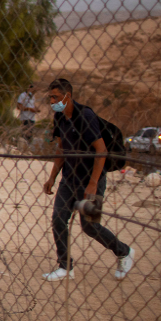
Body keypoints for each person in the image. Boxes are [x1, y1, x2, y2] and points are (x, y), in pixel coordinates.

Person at [41, 78, 134, 281]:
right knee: (58, 219)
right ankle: (65, 266)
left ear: (68, 96)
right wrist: (52, 177)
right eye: (50, 98)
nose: (52, 102)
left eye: (55, 97)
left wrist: (93, 184)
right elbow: (61, 148)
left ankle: (124, 252)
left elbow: (101, 151)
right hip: (69, 179)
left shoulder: (85, 116)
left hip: (91, 180)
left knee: (90, 226)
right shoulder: (59, 117)